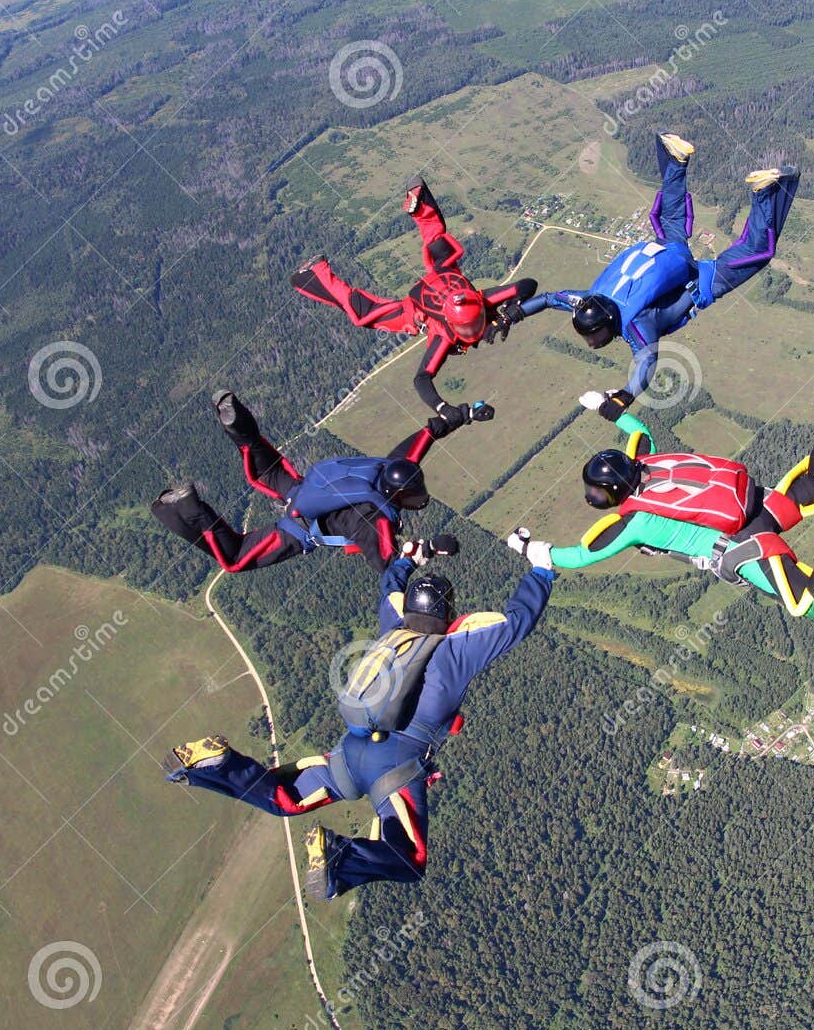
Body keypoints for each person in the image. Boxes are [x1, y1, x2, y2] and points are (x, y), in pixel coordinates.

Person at [164, 547, 555, 898]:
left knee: (286, 799)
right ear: (450, 613)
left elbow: (390, 588)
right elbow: (517, 622)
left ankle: (212, 765)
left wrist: (408, 559)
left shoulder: (395, 629)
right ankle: (338, 857)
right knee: (408, 860)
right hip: (396, 768)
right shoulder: (459, 647)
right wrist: (540, 569)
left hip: (350, 753)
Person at [506, 132, 799, 419]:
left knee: (756, 251)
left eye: (595, 337)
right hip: (662, 251)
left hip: (701, 281)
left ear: (608, 323)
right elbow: (548, 300)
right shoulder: (584, 301)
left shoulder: (635, 324)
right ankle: (676, 158)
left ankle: (766, 191)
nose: (592, 344)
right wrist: (510, 316)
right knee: (672, 218)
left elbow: (647, 362)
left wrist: (625, 397)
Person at [507, 388, 814, 617]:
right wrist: (605, 407)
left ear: (614, 494)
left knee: (804, 603)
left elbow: (584, 554)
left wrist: (532, 550)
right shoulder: (645, 461)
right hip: (756, 502)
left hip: (743, 545)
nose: (593, 499)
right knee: (809, 489)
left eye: (597, 494)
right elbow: (639, 432)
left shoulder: (634, 522)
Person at [292, 175, 538, 426]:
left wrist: (510, 311)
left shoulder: (480, 301)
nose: (473, 331)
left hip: (447, 280)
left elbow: (527, 285)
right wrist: (442, 407)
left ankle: (420, 201)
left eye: (475, 324)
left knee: (437, 243)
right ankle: (315, 274)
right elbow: (421, 378)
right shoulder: (446, 334)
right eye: (466, 328)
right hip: (418, 309)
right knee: (365, 314)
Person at [151, 389, 479, 575]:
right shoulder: (374, 519)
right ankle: (188, 507)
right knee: (235, 559)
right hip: (298, 527)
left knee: (267, 468)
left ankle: (238, 425)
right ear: (397, 495)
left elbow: (412, 451)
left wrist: (451, 420)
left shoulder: (383, 471)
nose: (413, 502)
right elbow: (391, 564)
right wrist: (430, 550)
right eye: (410, 498)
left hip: (304, 489)